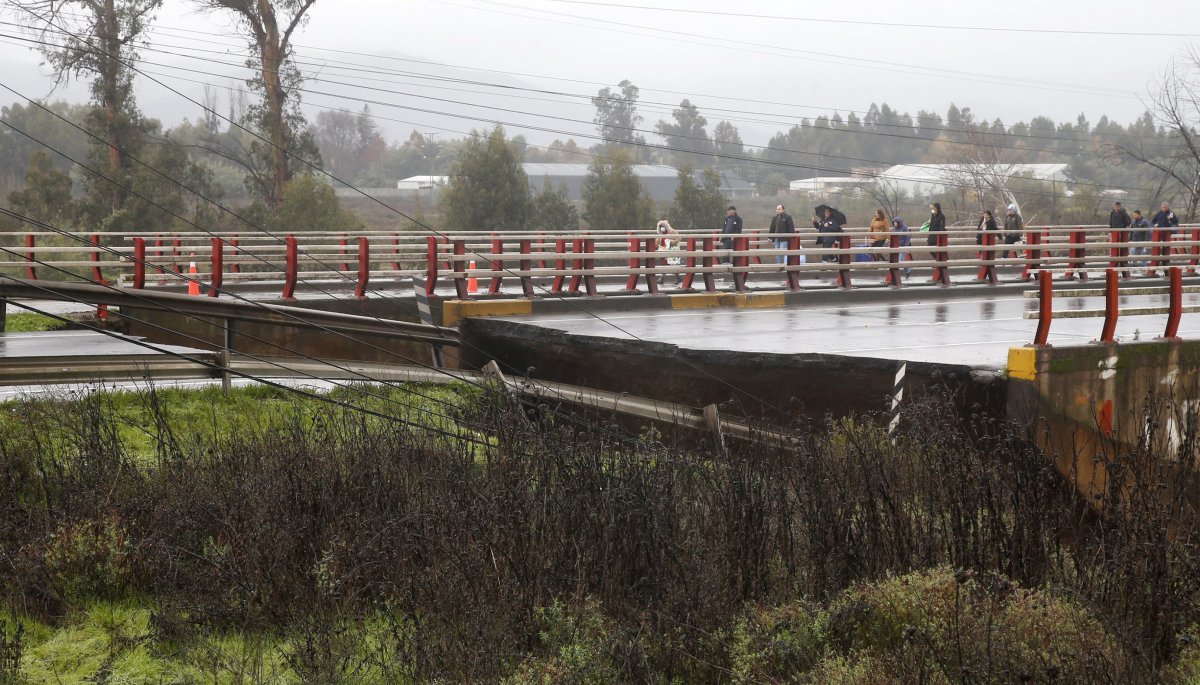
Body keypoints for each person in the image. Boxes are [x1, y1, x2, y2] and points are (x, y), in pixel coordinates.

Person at [655, 219, 682, 285]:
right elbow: (657, 242)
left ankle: (678, 277)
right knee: (663, 264)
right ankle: (662, 278)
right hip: (663, 250)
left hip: (670, 250)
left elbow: (679, 238)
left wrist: (672, 242)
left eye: (663, 227)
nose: (662, 228)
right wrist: (656, 244)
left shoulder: (673, 232)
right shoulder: (660, 234)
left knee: (672, 265)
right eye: (661, 227)